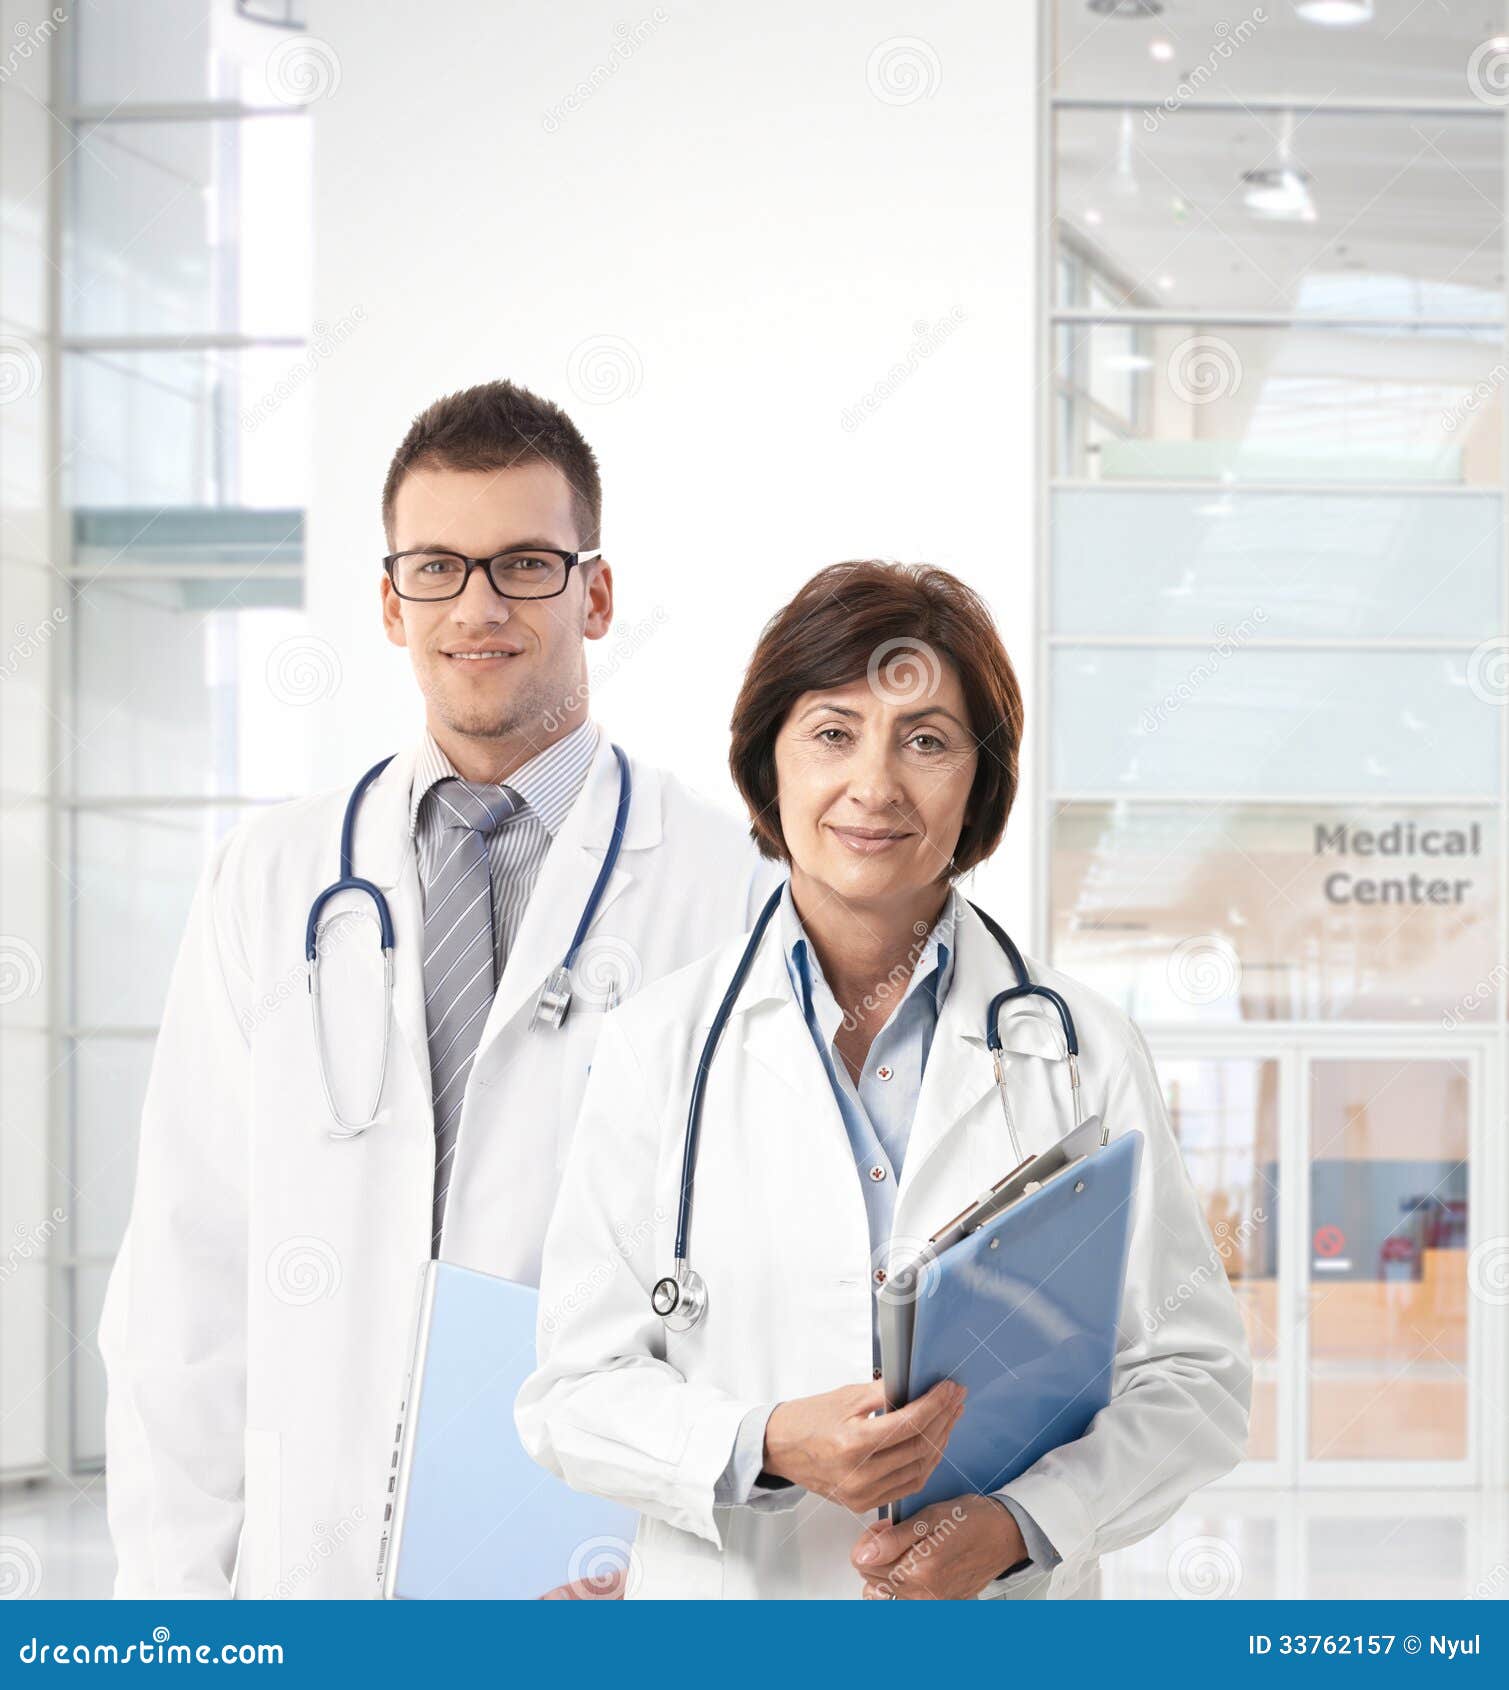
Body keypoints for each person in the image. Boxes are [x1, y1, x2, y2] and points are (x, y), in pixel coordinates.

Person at [99, 380, 777, 1599]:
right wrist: (174, 1610)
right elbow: (186, 1280)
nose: (477, 606)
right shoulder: (271, 879)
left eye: (525, 563)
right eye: (436, 568)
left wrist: (679, 1556)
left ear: (596, 592)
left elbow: (764, 1280)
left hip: (588, 1573)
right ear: (388, 600)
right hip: (309, 1575)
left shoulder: (725, 889)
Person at [518, 560, 1252, 1600]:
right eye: (831, 732)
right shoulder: (658, 1046)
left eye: (926, 740)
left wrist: (1018, 1523)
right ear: (767, 762)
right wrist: (766, 1440)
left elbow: (1195, 1378)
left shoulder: (1083, 1049)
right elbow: (573, 1392)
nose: (874, 785)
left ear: (980, 780)